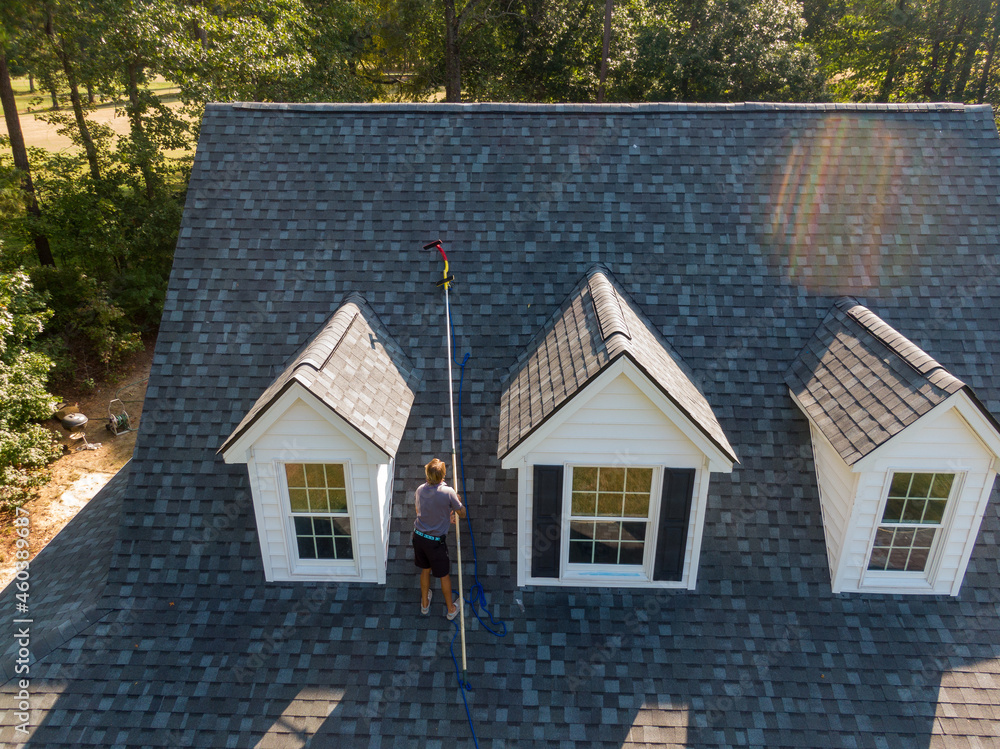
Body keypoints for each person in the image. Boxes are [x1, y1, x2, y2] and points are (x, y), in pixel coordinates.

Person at [412, 458, 466, 619]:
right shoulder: (448, 492)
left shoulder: (420, 489)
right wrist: (458, 503)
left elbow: (420, 511)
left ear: (427, 474)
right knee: (443, 575)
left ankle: (424, 605)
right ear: (443, 475)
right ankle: (451, 609)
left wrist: (443, 518)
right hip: (435, 543)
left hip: (419, 538)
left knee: (425, 570)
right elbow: (462, 513)